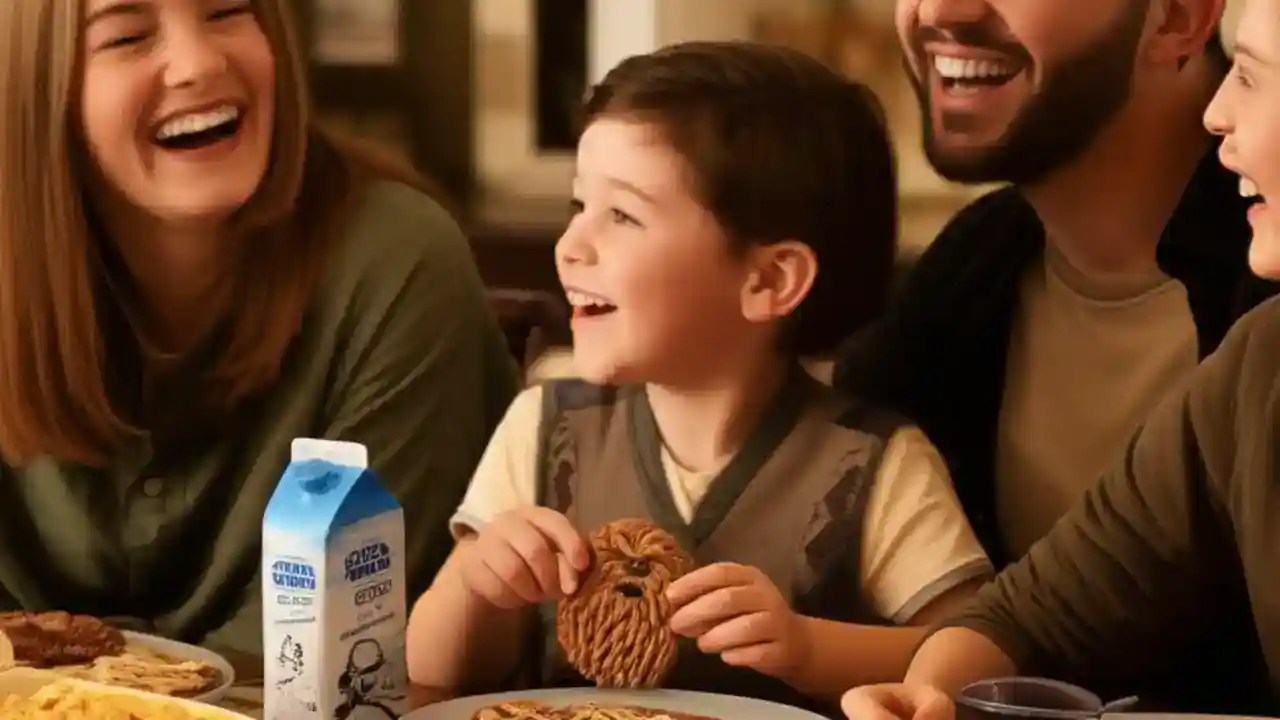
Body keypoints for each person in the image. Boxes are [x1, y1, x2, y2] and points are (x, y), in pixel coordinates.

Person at [404, 41, 992, 714]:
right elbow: (431, 668)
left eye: (622, 215)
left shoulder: (875, 464)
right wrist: (481, 582)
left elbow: (974, 655)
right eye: (577, 207)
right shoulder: (543, 429)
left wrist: (809, 649)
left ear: (769, 279)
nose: (571, 246)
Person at [0, 0, 519, 656]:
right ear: (34, 85)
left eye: (228, 11)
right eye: (127, 36)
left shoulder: (399, 264)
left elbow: (341, 654)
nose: (198, 63)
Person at [841, 2, 1280, 714]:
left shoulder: (1253, 307)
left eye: (1255, 78)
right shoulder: (949, 297)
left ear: (1174, 18)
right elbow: (1026, 621)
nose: (939, 10)